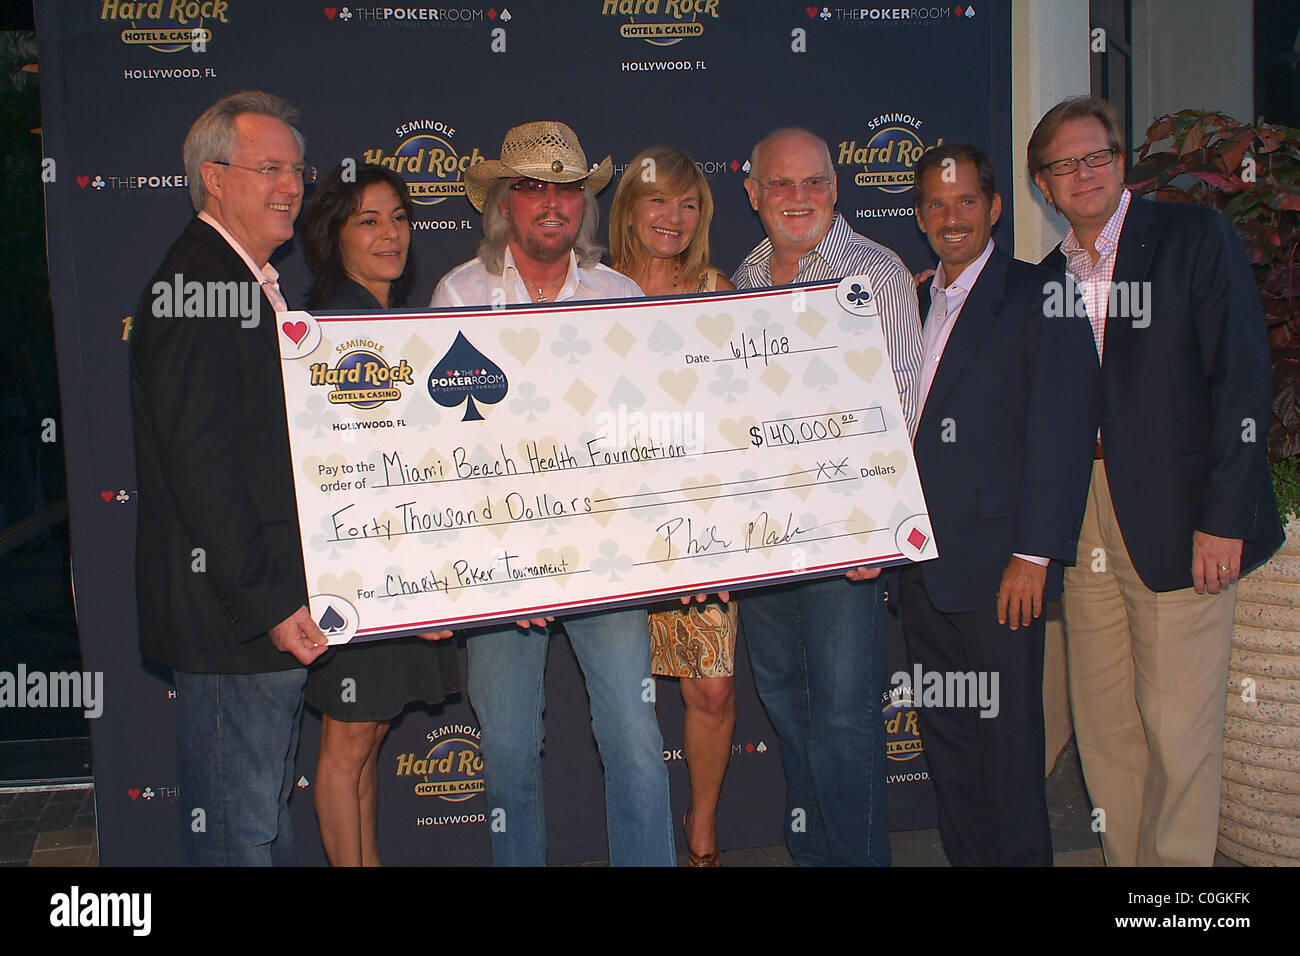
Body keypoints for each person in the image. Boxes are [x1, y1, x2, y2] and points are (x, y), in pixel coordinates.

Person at [1030, 95, 1283, 866]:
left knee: (1179, 730)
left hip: (1181, 515)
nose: (1082, 174)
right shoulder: (1046, 277)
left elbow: (1241, 382)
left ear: (1120, 163)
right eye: (1063, 164)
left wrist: (1226, 518)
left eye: (1095, 156)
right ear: (1043, 185)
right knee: (1108, 729)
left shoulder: (1190, 237)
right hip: (1086, 519)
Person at [430, 121, 675, 866]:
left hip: (606, 553)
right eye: (532, 186)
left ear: (584, 205)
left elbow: (654, 428)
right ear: (503, 202)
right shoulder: (459, 294)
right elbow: (442, 449)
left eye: (566, 188)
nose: (550, 203)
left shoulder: (618, 293)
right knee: (506, 747)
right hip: (501, 559)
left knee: (635, 740)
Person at [129, 90, 328, 865]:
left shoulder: (240, 278)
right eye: (269, 167)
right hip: (234, 620)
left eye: (297, 170)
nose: (291, 185)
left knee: (257, 820)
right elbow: (202, 469)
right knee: (237, 836)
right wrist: (271, 603)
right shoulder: (198, 286)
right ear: (215, 177)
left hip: (255, 614)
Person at [903, 143, 1100, 865]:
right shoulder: (918, 299)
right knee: (951, 755)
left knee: (1011, 757)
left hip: (1000, 575)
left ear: (993, 207)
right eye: (936, 204)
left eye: (965, 202)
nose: (951, 217)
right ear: (919, 214)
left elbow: (1065, 430)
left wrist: (1033, 554)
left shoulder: (1038, 294)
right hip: (923, 574)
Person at [731, 127, 923, 865]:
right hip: (765, 541)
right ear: (753, 195)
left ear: (836, 187)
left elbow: (905, 406)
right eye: (781, 184)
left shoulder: (877, 272)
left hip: (849, 541)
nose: (799, 197)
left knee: (845, 717)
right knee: (788, 706)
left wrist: (878, 528)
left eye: (813, 182)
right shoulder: (741, 280)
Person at [299, 164, 460, 866]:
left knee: (366, 737)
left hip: (389, 564)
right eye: (368, 220)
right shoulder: (339, 326)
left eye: (398, 217)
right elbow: (352, 473)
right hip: (360, 566)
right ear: (334, 238)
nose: (390, 233)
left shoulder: (390, 322)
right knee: (347, 741)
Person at [608, 144, 737, 866]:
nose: (675, 217)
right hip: (615, 523)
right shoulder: (592, 289)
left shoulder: (718, 289)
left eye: (690, 204)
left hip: (702, 522)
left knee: (712, 690)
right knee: (625, 702)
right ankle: (642, 838)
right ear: (629, 207)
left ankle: (704, 828)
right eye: (660, 201)